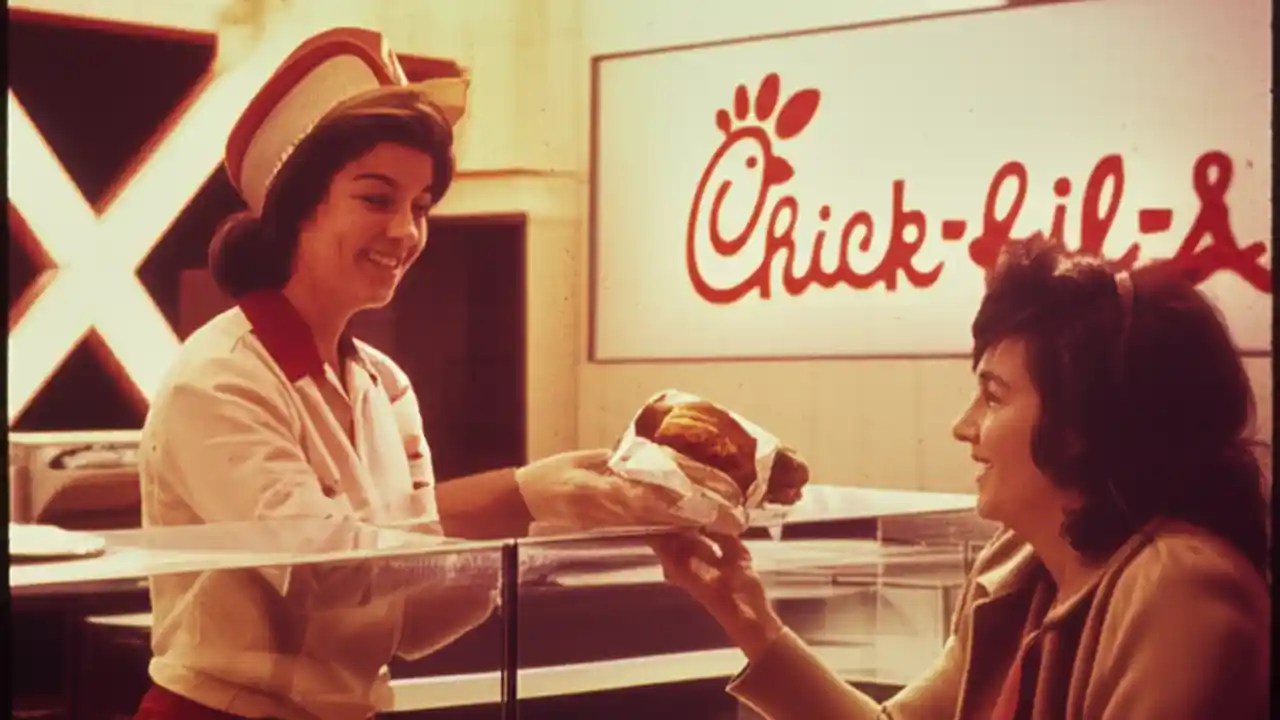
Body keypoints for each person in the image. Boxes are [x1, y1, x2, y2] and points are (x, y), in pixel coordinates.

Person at [134, 27, 685, 719]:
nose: (406, 231)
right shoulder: (217, 380)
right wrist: (520, 495)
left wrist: (556, 521)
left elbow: (414, 624)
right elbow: (329, 570)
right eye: (377, 198)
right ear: (299, 208)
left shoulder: (385, 385)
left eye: (420, 207)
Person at [654, 237, 1271, 719]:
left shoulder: (1178, 586)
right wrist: (749, 622)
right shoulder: (1024, 564)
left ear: (1086, 421)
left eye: (994, 397)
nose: (962, 426)